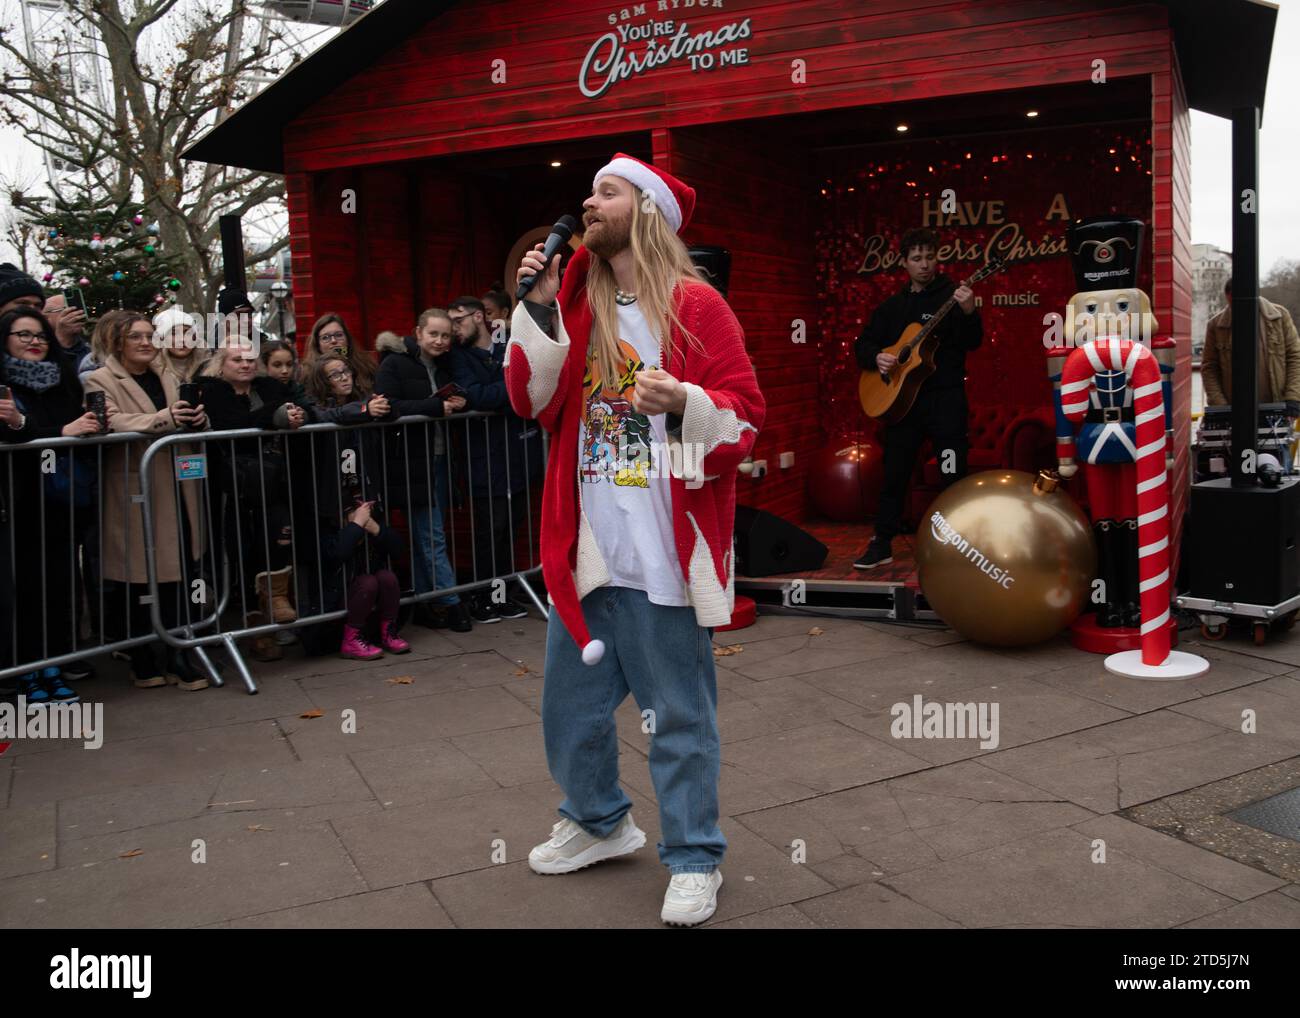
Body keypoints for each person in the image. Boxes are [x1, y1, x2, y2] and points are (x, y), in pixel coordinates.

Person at [504, 153, 764, 926]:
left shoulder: (696, 307)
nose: (588, 202)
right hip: (589, 552)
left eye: (606, 191)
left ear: (644, 211)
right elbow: (528, 400)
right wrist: (541, 310)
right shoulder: (575, 301)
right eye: (589, 191)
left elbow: (746, 420)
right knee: (569, 712)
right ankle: (600, 823)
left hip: (663, 553)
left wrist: (685, 397)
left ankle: (692, 856)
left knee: (678, 716)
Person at [83, 312, 210, 691]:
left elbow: (184, 416)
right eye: (134, 336)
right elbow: (110, 420)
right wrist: (162, 419)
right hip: (135, 486)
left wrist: (198, 419)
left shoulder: (168, 374)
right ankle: (142, 656)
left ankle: (177, 651)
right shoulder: (100, 378)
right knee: (138, 574)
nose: (145, 342)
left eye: (148, 335)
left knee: (182, 567)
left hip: (178, 483)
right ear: (115, 341)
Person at [853, 226, 981, 568]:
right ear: (905, 263)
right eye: (916, 258)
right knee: (895, 473)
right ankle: (882, 543)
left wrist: (969, 312)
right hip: (903, 406)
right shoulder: (892, 308)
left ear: (937, 259)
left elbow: (973, 341)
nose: (924, 264)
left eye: (929, 257)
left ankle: (959, 543)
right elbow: (862, 345)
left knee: (952, 471)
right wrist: (877, 356)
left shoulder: (954, 297)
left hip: (946, 401)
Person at [0, 307, 102, 703]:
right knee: (24, 588)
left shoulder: (60, 379)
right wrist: (47, 431)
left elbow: (73, 424)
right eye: (22, 334)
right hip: (18, 502)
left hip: (60, 500)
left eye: (39, 334)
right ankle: (26, 671)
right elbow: (20, 435)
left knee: (59, 584)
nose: (33, 341)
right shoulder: (5, 383)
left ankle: (55, 665)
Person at [199, 342, 309, 650]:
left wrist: (295, 415)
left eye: (250, 359)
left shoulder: (269, 386)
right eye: (237, 359)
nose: (245, 364)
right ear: (222, 365)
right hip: (231, 484)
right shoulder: (212, 390)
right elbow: (230, 423)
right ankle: (256, 627)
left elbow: (295, 409)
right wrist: (273, 416)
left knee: (278, 536)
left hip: (271, 478)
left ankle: (275, 598)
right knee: (241, 550)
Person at [374, 308, 472, 632]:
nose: (440, 341)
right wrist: (433, 407)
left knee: (426, 535)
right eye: (434, 334)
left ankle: (425, 602)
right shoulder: (393, 363)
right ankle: (452, 603)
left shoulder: (445, 365)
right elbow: (387, 406)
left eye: (445, 335)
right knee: (432, 535)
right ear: (418, 333)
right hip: (411, 461)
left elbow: (455, 394)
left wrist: (461, 401)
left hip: (442, 458)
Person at [449, 295, 543, 623]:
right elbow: (474, 393)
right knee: (490, 530)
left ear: (478, 317)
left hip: (514, 454)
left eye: (458, 321)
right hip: (485, 458)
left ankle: (501, 597)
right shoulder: (458, 356)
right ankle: (484, 597)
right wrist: (508, 391)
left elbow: (526, 381)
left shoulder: (504, 343)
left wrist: (502, 391)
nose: (453, 329)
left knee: (511, 528)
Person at [299, 493, 410, 661]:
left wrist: (376, 529)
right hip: (333, 615)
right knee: (368, 582)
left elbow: (399, 550)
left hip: (367, 610)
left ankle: (388, 633)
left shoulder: (369, 532)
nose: (363, 512)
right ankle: (351, 641)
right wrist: (356, 526)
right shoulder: (328, 533)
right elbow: (337, 553)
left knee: (386, 577)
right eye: (356, 509)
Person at [1202, 276, 1300, 416]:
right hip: (1234, 410)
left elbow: (1295, 357)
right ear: (1227, 297)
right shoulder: (1215, 325)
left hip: (1278, 405)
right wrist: (1220, 406)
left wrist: (1293, 398)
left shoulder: (1280, 316)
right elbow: (1209, 368)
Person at [303, 313, 377, 397]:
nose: (333, 341)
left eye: (338, 335)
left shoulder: (366, 365)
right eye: (325, 337)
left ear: (347, 339)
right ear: (317, 345)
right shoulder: (309, 374)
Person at [154, 307, 209, 384]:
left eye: (188, 332)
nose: (182, 339)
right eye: (174, 333)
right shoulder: (153, 371)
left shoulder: (210, 364)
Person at [42, 292, 90, 368]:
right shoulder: (38, 345)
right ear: (46, 317)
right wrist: (62, 339)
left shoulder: (88, 348)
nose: (75, 314)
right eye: (66, 309)